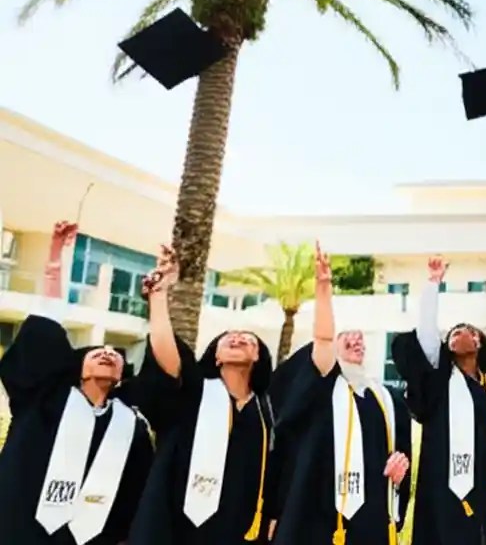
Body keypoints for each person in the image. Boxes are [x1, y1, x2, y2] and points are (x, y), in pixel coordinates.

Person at [0, 220, 154, 545]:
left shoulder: (130, 426)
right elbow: (46, 331)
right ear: (76, 367)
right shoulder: (43, 398)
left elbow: (135, 489)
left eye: (115, 355)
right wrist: (55, 258)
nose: (108, 353)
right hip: (21, 528)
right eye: (97, 353)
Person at [128, 244, 277, 545]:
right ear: (216, 357)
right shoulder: (195, 391)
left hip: (240, 529)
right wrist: (159, 296)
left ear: (258, 357)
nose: (237, 337)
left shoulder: (268, 413)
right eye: (228, 338)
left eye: (248, 340)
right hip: (177, 526)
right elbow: (167, 357)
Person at [270, 243, 412, 545]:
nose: (356, 339)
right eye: (346, 335)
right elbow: (323, 340)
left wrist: (400, 469)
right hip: (316, 512)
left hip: (370, 516)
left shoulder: (385, 400)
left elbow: (399, 456)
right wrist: (323, 289)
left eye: (360, 336)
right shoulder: (320, 385)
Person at [389, 254, 486, 545]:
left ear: (479, 342)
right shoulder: (441, 379)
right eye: (452, 333)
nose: (457, 333)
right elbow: (427, 336)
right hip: (445, 486)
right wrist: (433, 285)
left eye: (466, 330)